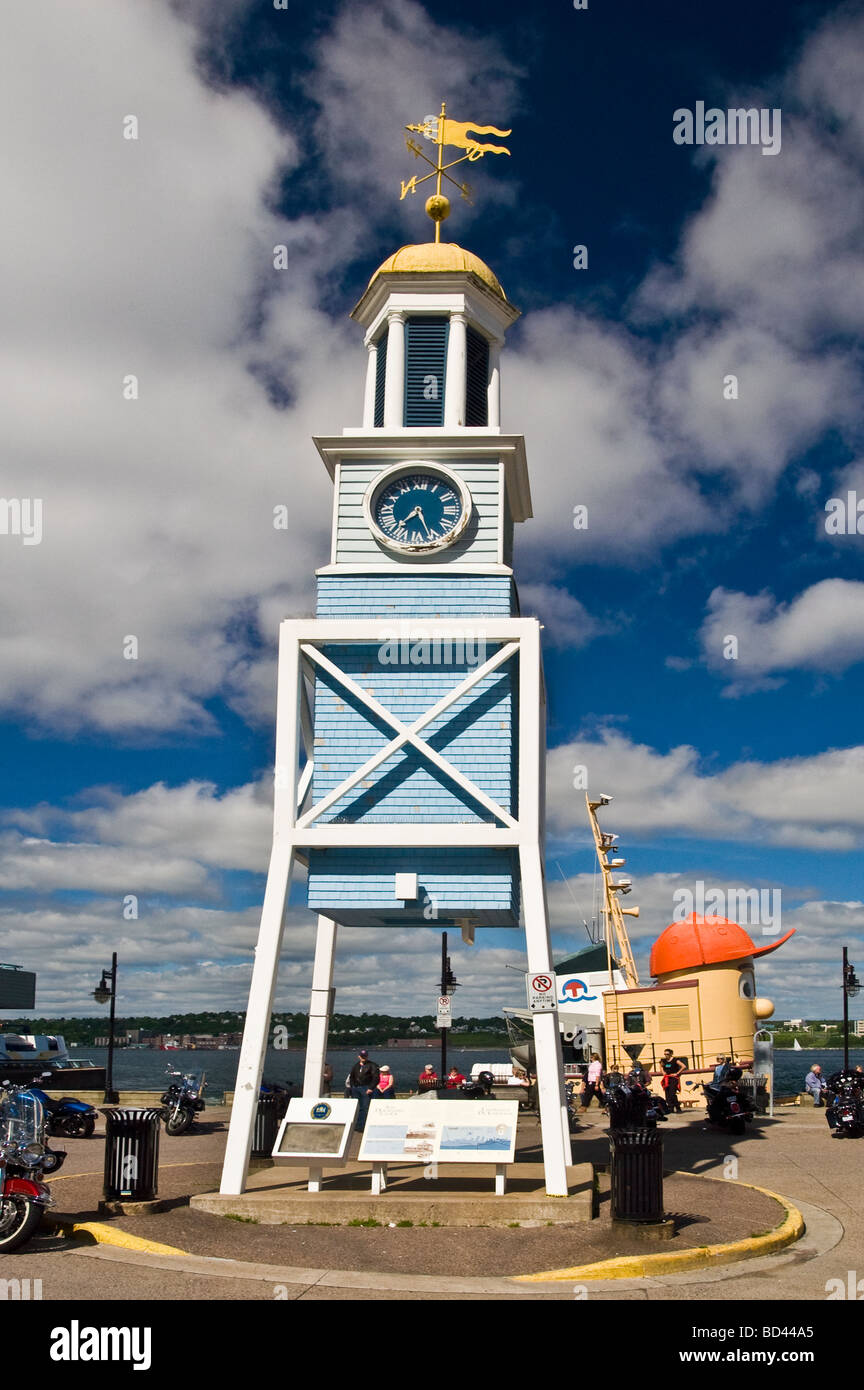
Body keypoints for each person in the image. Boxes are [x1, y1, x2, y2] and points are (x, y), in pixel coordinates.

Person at [348, 1048, 380, 1130]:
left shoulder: (373, 1065)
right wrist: (352, 1087)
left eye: (365, 1056)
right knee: (357, 1107)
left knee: (364, 1107)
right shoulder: (356, 1066)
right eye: (362, 1056)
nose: (363, 1058)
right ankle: (356, 1124)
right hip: (356, 1088)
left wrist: (370, 1088)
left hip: (366, 1087)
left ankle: (361, 1126)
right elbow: (352, 1077)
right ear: (359, 1056)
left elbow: (376, 1078)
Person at [660, 1049, 686, 1113]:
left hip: (673, 1078)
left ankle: (677, 1107)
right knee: (667, 1093)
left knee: (672, 1093)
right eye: (665, 1054)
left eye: (667, 1054)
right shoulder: (663, 1061)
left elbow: (683, 1066)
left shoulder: (675, 1060)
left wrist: (677, 1073)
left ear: (671, 1054)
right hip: (667, 1078)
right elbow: (661, 1066)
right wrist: (663, 1072)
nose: (666, 1055)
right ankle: (670, 1108)